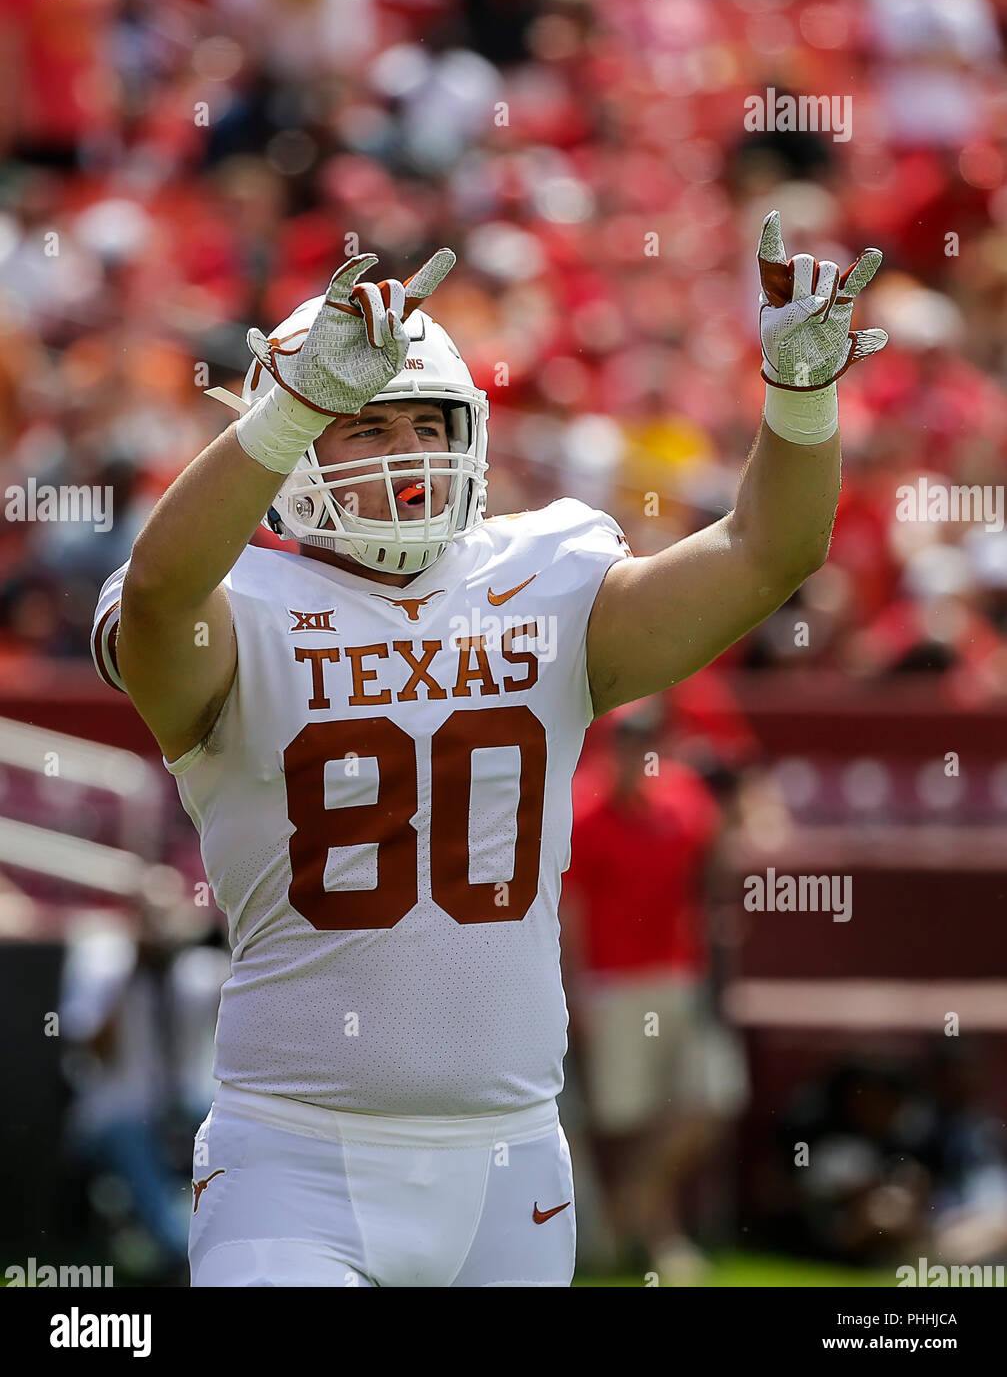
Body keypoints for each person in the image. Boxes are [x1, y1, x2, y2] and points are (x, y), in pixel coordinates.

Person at [89, 217, 887, 1286]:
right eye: (364, 425)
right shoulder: (236, 605)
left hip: (511, 1158)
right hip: (296, 1153)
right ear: (289, 436)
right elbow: (156, 592)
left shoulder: (541, 578)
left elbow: (766, 550)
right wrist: (291, 406)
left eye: (428, 420)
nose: (407, 452)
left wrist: (798, 399)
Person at [563, 699, 748, 1282]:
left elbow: (713, 869)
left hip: (679, 974)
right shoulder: (582, 811)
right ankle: (657, 1240)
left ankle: (629, 1219)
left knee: (710, 1100)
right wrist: (576, 992)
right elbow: (572, 914)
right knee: (629, 1119)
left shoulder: (685, 798)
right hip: (614, 983)